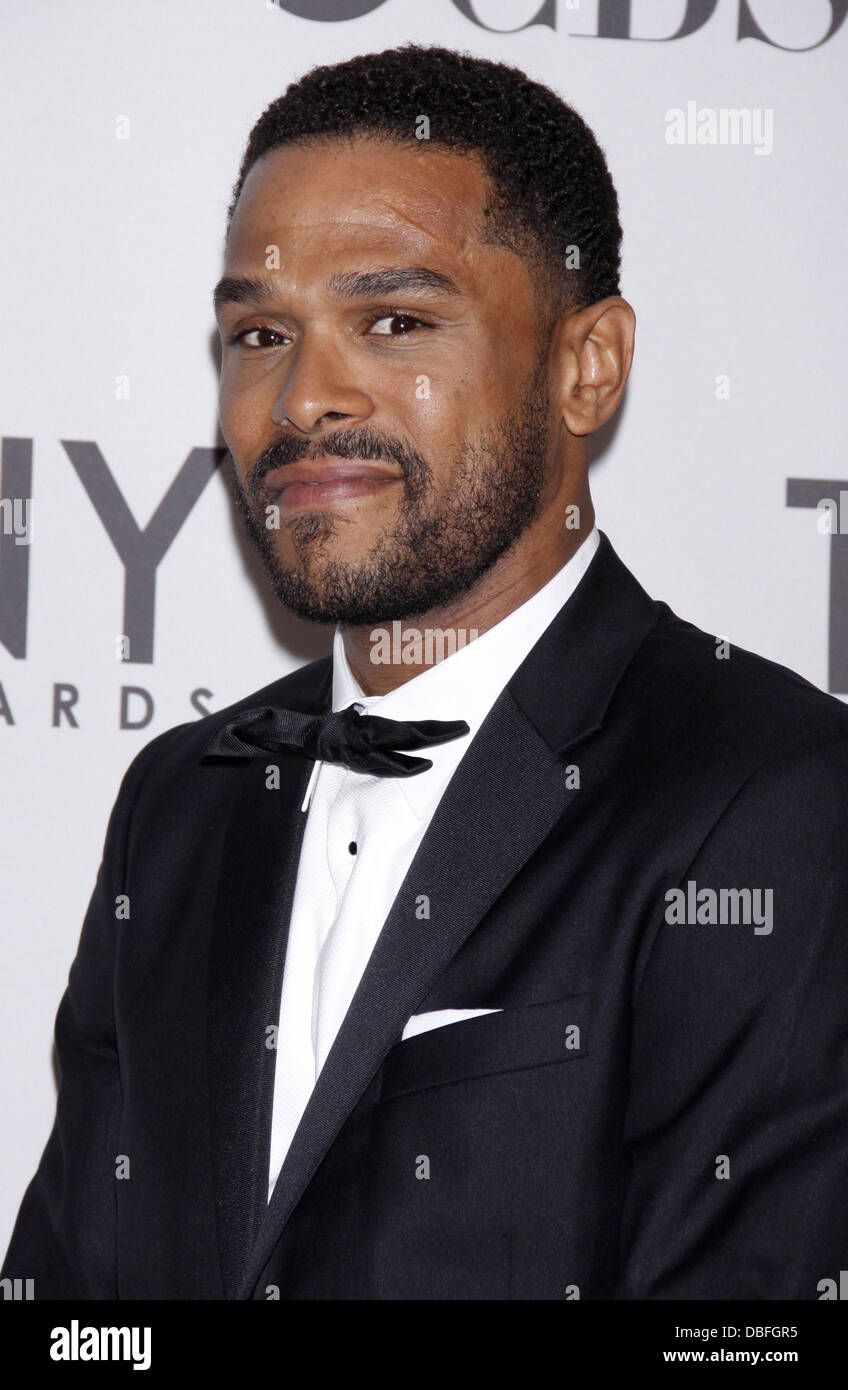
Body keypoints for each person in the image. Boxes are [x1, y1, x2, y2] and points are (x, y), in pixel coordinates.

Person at [4, 44, 848, 1301]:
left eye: (393, 320)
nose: (302, 399)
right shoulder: (180, 801)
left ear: (585, 365)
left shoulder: (775, 800)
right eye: (258, 332)